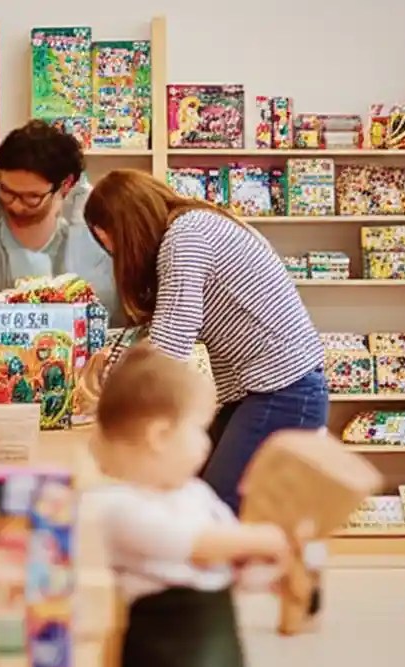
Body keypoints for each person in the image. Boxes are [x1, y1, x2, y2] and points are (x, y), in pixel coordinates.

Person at [83, 168, 329, 616]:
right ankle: (289, 571)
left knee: (211, 510)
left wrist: (114, 396)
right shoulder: (195, 224)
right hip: (265, 387)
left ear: (116, 228)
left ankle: (286, 576)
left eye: (107, 241)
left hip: (283, 386)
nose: (112, 253)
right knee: (195, 495)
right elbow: (167, 337)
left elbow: (171, 345)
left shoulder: (186, 237)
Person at [89, 345, 292, 667]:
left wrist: (261, 570)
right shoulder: (116, 505)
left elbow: (230, 561)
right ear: (160, 435)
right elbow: (194, 545)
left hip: (224, 666)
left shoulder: (196, 494)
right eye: (200, 430)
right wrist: (269, 539)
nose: (208, 443)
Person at [0, 120, 123, 344]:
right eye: (6, 191)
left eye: (31, 197)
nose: (15, 205)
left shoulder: (103, 228)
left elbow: (125, 318)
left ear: (66, 184)